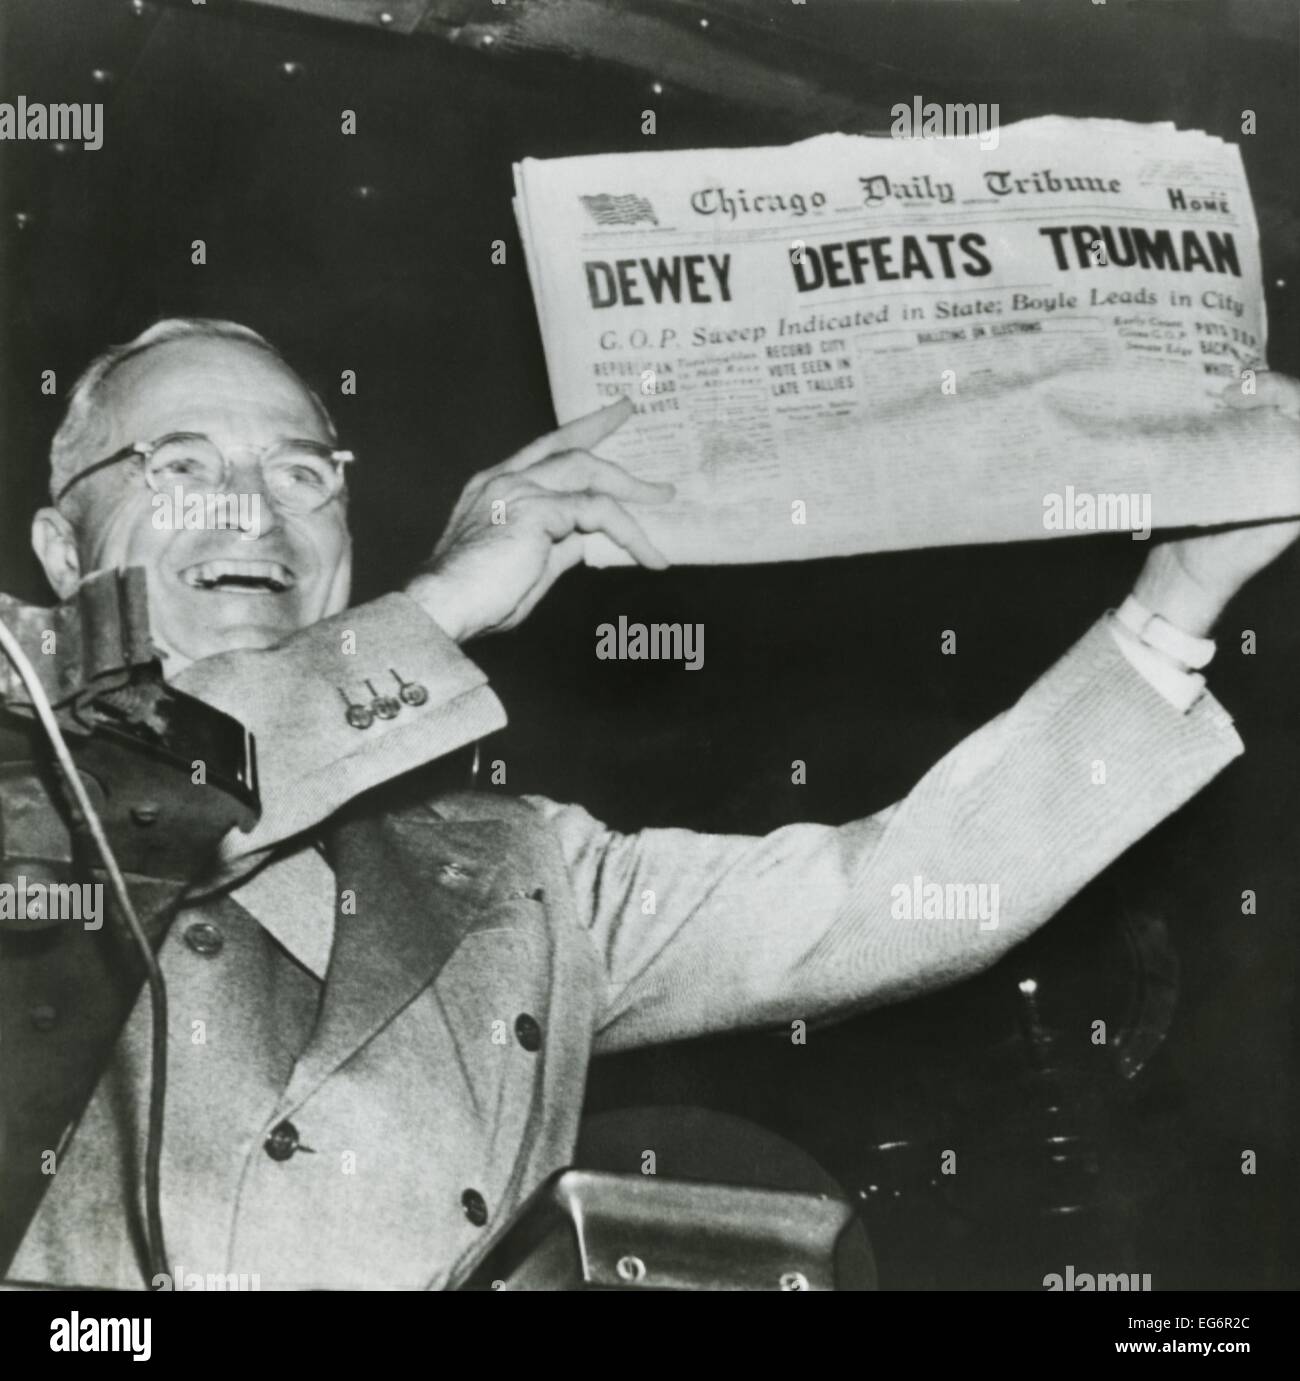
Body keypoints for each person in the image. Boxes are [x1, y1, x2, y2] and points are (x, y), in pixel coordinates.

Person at [3, 317, 1296, 1289]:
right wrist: (446, 607)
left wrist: (1174, 604)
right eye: (182, 461)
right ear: (63, 552)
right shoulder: (23, 769)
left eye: (304, 471)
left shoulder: (510, 866)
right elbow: (142, 803)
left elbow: (881, 898)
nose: (258, 511)